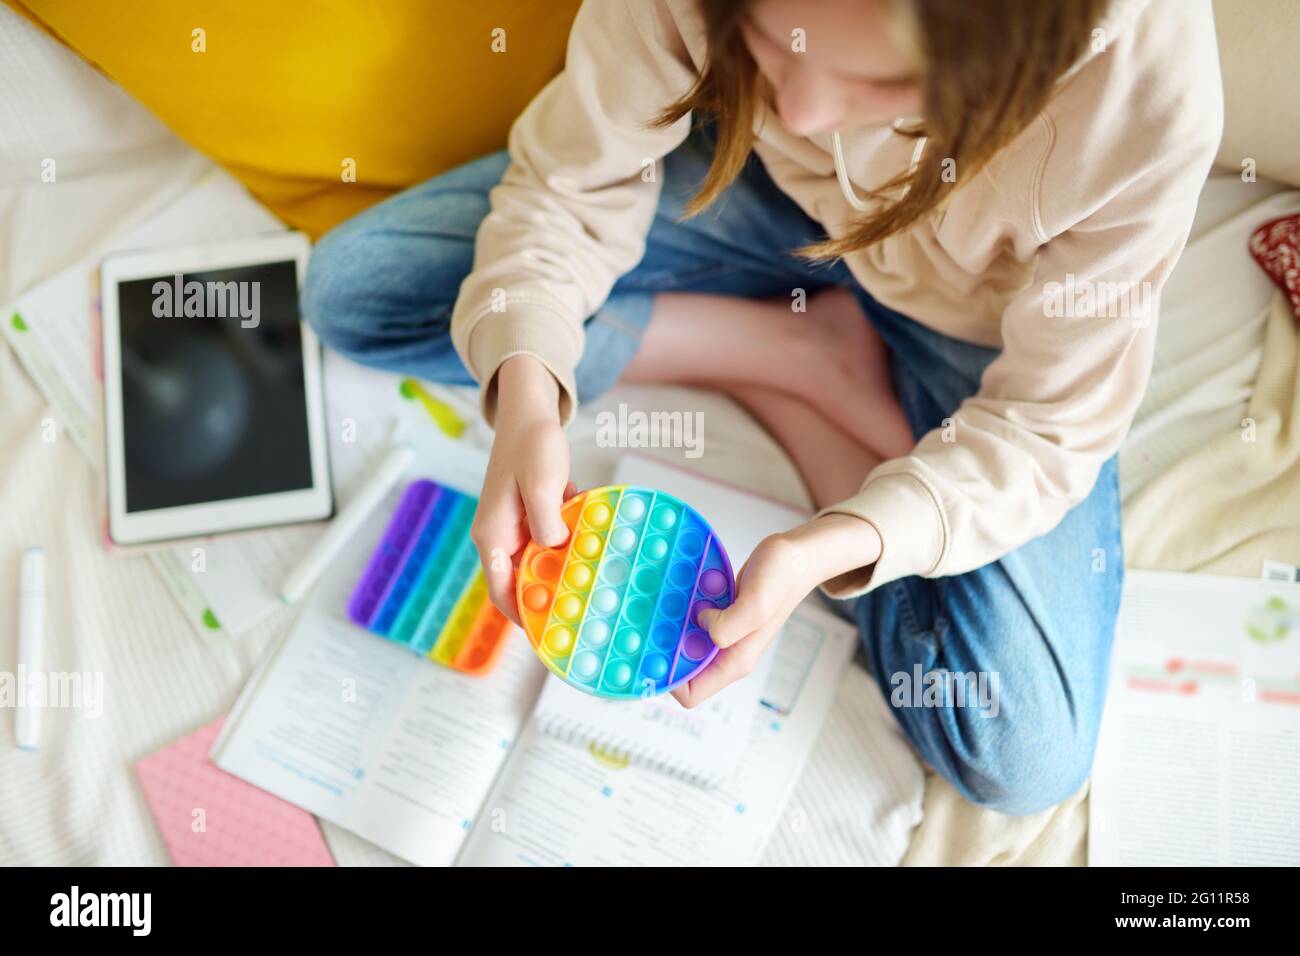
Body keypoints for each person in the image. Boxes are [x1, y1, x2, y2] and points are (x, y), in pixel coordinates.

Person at [303, 0, 1223, 814]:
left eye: (879, 81)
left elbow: (1049, 428)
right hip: (751, 193)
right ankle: (787, 353)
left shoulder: (1142, 89)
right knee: (356, 288)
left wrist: (841, 540)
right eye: (775, 43)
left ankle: (805, 371)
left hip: (973, 329)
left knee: (1020, 752)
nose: (807, 111)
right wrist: (528, 393)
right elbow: (566, 189)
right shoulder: (761, 94)